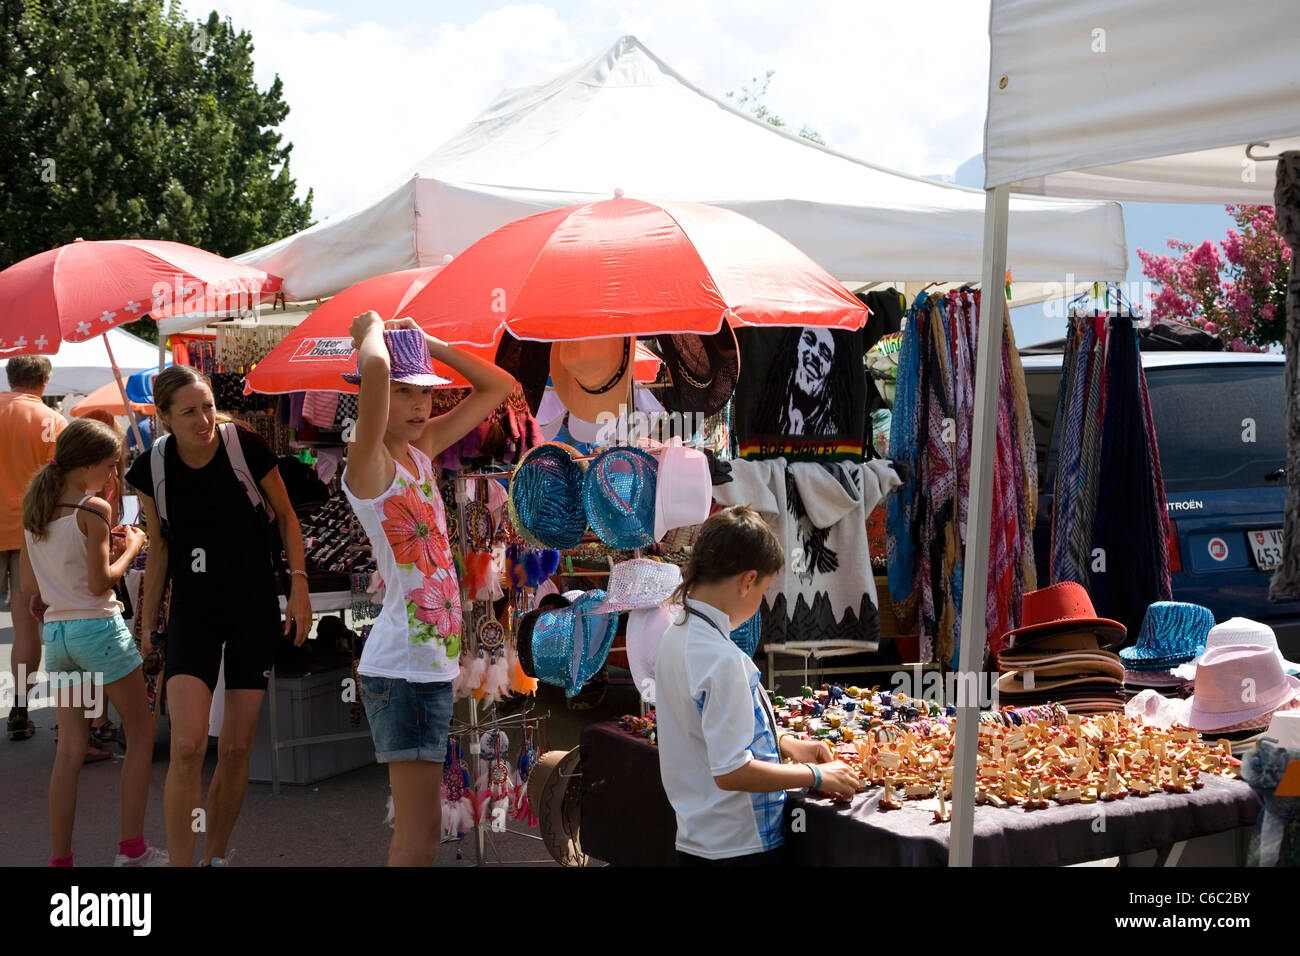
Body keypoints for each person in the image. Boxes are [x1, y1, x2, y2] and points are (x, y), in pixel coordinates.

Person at [342, 313, 514, 867]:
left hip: (423, 670)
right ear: (375, 396)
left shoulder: (421, 452)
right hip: (405, 670)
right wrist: (369, 329)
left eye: (425, 392)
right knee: (418, 836)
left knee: (424, 834)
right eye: (404, 392)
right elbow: (371, 366)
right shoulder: (367, 461)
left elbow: (499, 387)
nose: (421, 405)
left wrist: (429, 343)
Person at [125, 365, 312, 867]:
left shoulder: (243, 447)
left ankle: (216, 856)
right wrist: (147, 629)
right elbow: (159, 550)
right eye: (188, 411)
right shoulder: (153, 468)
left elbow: (288, 516)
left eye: (207, 406)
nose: (203, 418)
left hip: (253, 609)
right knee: (186, 746)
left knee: (233, 750)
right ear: (163, 417)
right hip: (193, 612)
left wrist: (299, 587)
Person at [654, 505, 860, 865]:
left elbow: (709, 732)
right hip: (739, 846)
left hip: (699, 840)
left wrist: (785, 743)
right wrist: (814, 775)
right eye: (763, 590)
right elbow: (731, 771)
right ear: (748, 580)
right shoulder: (722, 659)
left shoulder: (676, 635)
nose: (760, 601)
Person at [19, 418, 165, 866]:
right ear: (89, 466)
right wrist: (132, 544)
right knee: (141, 736)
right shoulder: (94, 509)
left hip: (59, 635)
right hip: (97, 630)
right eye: (110, 466)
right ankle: (131, 850)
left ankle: (61, 859)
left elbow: (32, 590)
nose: (112, 476)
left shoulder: (35, 509)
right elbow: (103, 584)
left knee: (70, 749)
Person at [2, 355, 67, 740]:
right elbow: (58, 485)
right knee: (28, 624)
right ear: (45, 380)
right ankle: (20, 709)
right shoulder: (53, 422)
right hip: (30, 532)